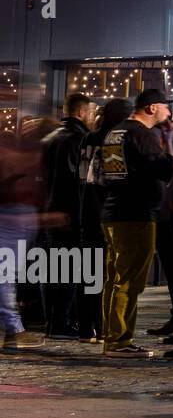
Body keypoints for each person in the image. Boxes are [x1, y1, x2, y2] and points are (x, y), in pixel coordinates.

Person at [99, 89, 173, 359]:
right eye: (166, 107)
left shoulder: (116, 131)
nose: (169, 113)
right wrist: (168, 143)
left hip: (113, 211)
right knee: (130, 281)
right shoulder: (143, 134)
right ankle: (119, 340)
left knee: (115, 279)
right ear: (152, 108)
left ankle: (112, 335)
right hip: (136, 214)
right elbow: (164, 168)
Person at [38, 92, 96, 339]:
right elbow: (78, 182)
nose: (94, 117)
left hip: (48, 211)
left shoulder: (48, 139)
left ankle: (52, 320)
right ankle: (62, 321)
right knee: (71, 269)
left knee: (52, 270)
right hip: (70, 212)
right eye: (92, 112)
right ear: (81, 112)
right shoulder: (80, 140)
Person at [76, 98, 132, 344]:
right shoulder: (116, 139)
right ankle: (102, 324)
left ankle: (86, 326)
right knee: (109, 272)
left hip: (87, 206)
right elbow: (115, 178)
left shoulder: (88, 138)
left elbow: (81, 175)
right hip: (107, 209)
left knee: (88, 268)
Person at [1, 123, 46, 350]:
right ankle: (14, 329)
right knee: (5, 276)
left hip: (15, 216)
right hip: (10, 216)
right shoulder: (9, 155)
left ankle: (14, 329)